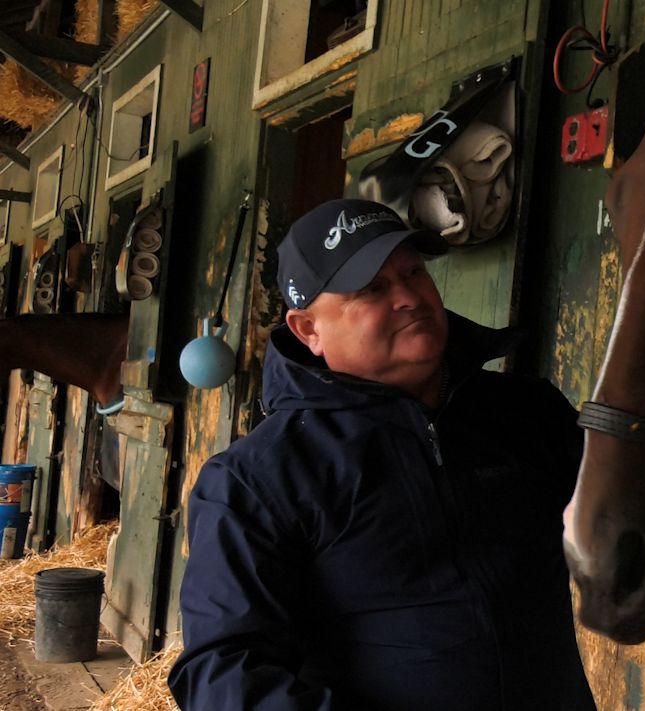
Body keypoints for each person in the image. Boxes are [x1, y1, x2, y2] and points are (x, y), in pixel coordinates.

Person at [168, 198, 596, 710]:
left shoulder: (526, 413)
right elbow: (222, 672)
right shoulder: (258, 479)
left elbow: (632, 517)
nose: (409, 297)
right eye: (373, 288)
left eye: (414, 272)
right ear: (308, 329)